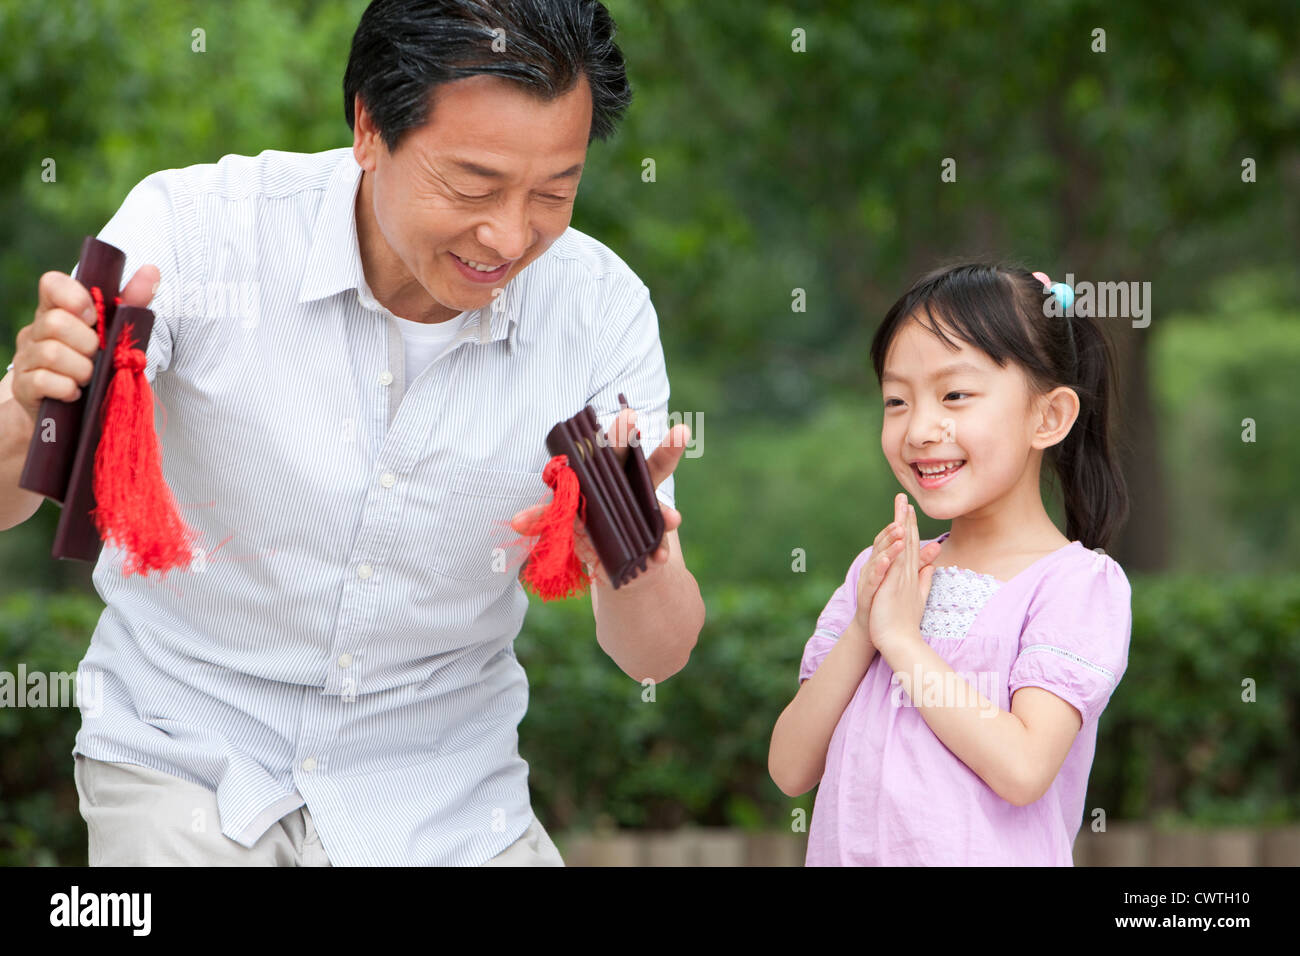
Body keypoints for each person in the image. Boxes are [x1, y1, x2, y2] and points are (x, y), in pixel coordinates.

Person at [0, 0, 704, 866]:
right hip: (188, 753)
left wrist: (634, 563)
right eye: (473, 185)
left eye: (554, 191)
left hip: (445, 797)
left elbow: (656, 657)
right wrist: (31, 408)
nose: (510, 234)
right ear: (370, 125)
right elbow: (14, 496)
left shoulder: (599, 313)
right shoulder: (195, 229)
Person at [768, 261, 1132, 865]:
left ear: (1049, 417)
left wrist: (901, 642)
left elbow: (1022, 768)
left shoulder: (1074, 586)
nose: (919, 429)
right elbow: (789, 767)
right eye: (896, 400)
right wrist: (865, 627)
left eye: (954, 395)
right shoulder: (882, 571)